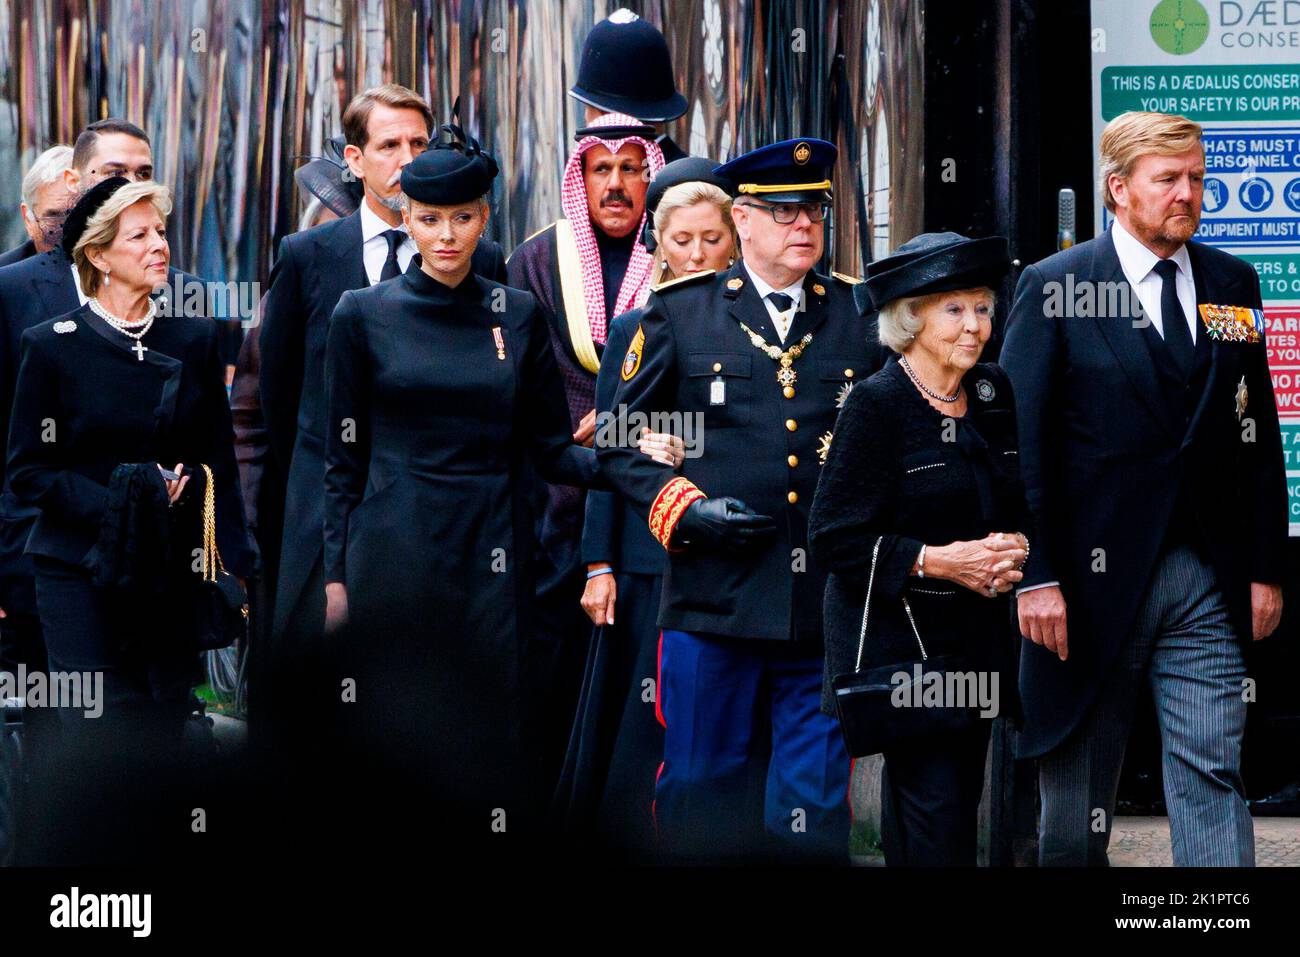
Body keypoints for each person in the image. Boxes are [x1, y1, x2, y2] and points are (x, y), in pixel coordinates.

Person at [320, 129, 665, 851]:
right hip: (395, 553)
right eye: (429, 218)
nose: (447, 235)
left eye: (464, 217)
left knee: (493, 737)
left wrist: (632, 455)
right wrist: (334, 577)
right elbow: (341, 462)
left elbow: (550, 450)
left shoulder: (517, 312)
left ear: (484, 219)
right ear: (407, 219)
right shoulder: (360, 314)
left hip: (498, 557)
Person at [1000, 111, 1286, 866]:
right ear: (1118, 189)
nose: (1188, 194)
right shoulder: (1055, 286)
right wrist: (1037, 574)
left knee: (1211, 772)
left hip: (1205, 573)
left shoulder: (1232, 281)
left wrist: (1265, 563)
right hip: (1087, 585)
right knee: (1078, 798)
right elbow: (1020, 444)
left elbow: (1255, 432)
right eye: (1169, 180)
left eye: (1197, 178)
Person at [596, 138, 885, 862]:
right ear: (744, 222)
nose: (804, 225)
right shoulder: (681, 314)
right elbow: (617, 439)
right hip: (713, 599)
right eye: (784, 211)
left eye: (814, 209)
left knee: (814, 797)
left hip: (822, 602)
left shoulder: (859, 313)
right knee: (701, 783)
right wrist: (682, 509)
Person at [5, 177, 253, 863]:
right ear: (101, 255)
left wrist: (238, 561)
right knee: (99, 740)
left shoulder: (196, 337)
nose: (159, 247)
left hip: (166, 573)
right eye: (139, 236)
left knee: (164, 730)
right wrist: (126, 493)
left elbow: (217, 462)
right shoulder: (51, 345)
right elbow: (28, 473)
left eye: (161, 232)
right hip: (77, 574)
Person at [809, 232, 1029, 865]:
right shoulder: (877, 404)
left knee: (950, 817)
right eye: (954, 310)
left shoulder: (991, 393)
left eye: (983, 308)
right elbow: (833, 539)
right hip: (908, 654)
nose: (976, 326)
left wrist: (1015, 546)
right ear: (910, 319)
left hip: (978, 644)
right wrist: (937, 560)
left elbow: (1015, 499)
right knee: (937, 825)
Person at [554, 157, 735, 858]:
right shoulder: (636, 324)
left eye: (710, 240)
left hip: (722, 545)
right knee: (636, 712)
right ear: (658, 247)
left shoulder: (752, 322)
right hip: (639, 549)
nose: (696, 254)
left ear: (734, 239)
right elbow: (610, 444)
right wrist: (598, 561)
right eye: (680, 241)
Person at [0, 120, 206, 691]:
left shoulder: (186, 310)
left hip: (161, 565)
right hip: (48, 557)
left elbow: (213, 445)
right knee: (70, 742)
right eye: (113, 174)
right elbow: (20, 457)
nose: (127, 186)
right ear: (77, 183)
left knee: (157, 735)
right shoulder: (15, 294)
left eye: (142, 174)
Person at [507, 111, 667, 801]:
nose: (617, 184)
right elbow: (517, 377)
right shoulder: (538, 259)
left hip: (647, 514)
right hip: (555, 511)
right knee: (550, 676)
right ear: (581, 178)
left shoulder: (684, 253)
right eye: (601, 169)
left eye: (632, 168)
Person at [569, 8, 689, 162]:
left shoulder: (655, 181)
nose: (586, 119)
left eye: (588, 107)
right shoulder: (681, 173)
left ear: (608, 118)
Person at [0, 145, 74, 267]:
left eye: (77, 215)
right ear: (28, 220)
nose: (68, 231)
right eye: (54, 218)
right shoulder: (5, 280)